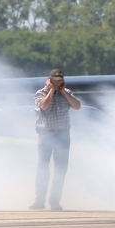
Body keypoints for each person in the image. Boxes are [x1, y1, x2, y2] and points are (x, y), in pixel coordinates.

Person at [30, 69, 81, 211]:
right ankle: (39, 200)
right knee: (42, 169)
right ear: (49, 80)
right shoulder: (41, 93)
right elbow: (44, 106)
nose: (58, 82)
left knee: (60, 170)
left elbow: (77, 106)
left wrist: (63, 92)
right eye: (55, 80)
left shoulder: (67, 93)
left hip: (63, 135)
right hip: (46, 134)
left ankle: (55, 201)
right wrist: (51, 91)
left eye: (60, 80)